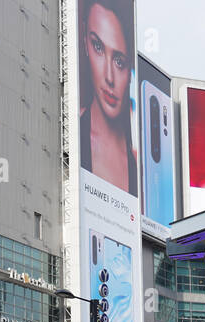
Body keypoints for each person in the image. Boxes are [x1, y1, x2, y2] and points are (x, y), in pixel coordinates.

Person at [77, 0, 137, 196]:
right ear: (85, 40)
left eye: (119, 61)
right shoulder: (72, 138)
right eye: (98, 47)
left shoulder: (138, 164)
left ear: (131, 71)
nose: (109, 77)